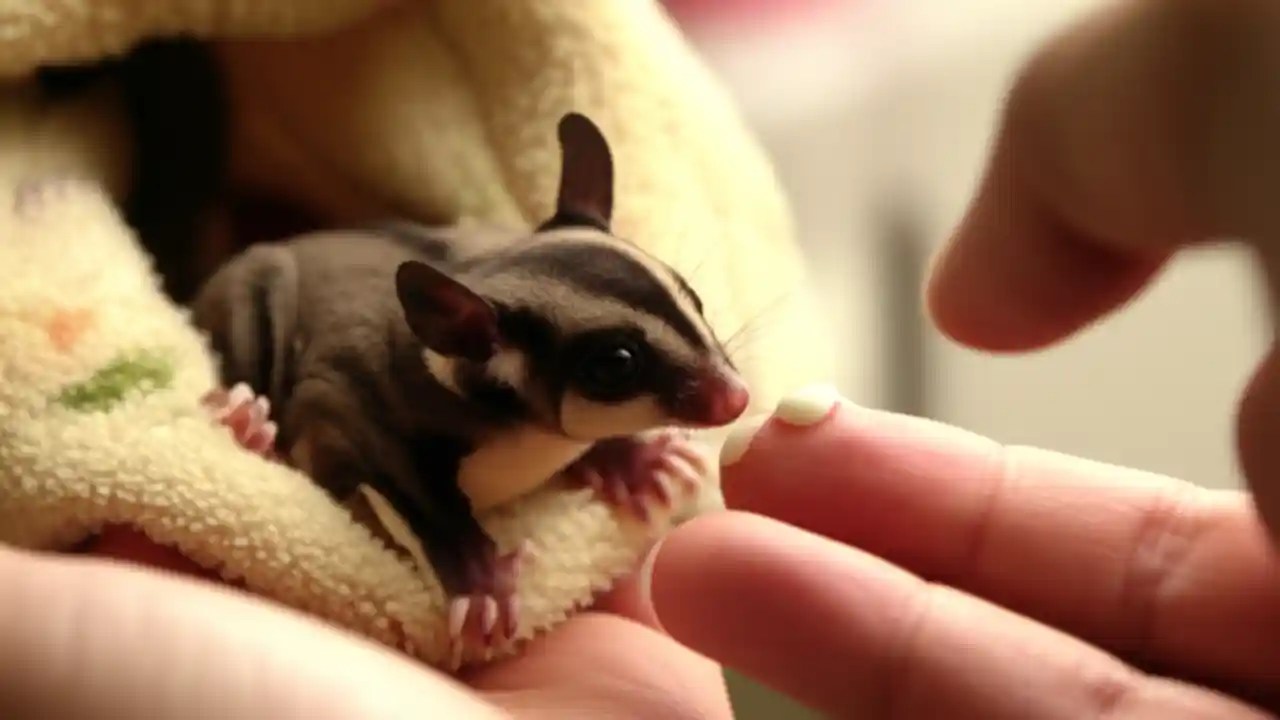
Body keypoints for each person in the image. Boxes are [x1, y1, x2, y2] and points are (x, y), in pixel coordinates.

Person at [5, 0, 1280, 717]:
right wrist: (453, 549)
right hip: (288, 306)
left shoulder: (534, 315)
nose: (716, 395)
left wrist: (619, 434)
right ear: (482, 353)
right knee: (262, 285)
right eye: (638, 365)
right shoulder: (421, 390)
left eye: (689, 335)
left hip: (444, 268)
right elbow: (345, 433)